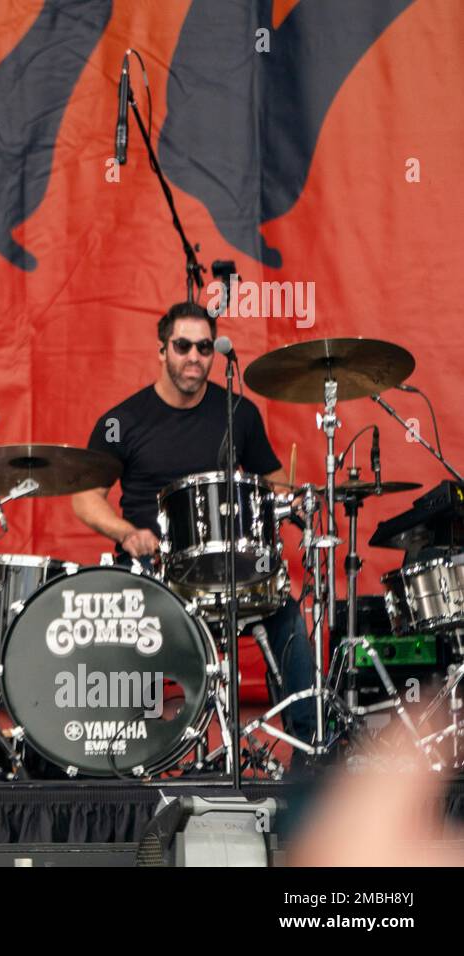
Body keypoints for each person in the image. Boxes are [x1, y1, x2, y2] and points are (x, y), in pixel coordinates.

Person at [71, 300, 318, 749]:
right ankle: (135, 753)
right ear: (162, 350)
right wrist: (127, 532)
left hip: (228, 572)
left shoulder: (238, 414)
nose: (194, 357)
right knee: (123, 621)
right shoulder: (121, 422)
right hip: (153, 572)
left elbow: (273, 481)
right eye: (182, 345)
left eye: (204, 348)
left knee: (286, 613)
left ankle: (310, 749)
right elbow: (85, 499)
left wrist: (292, 495)